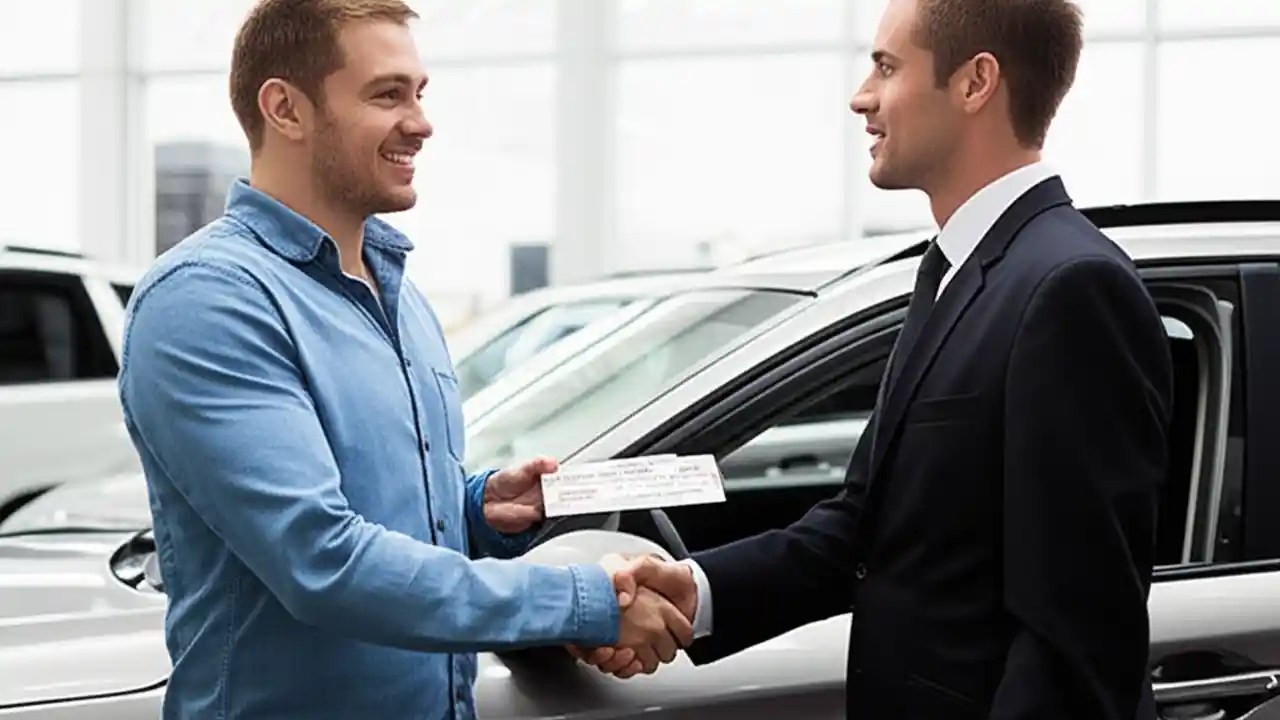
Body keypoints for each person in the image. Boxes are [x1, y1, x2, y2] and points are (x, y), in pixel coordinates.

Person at [577, 0, 1174, 717]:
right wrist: (696, 590)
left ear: (976, 82)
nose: (861, 96)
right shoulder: (959, 271)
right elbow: (867, 529)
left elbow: (1076, 631)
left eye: (886, 67)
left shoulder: (1071, 286)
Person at [117, 1, 689, 718]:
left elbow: (377, 511)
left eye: (419, 93)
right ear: (285, 109)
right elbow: (323, 560)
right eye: (388, 94)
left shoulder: (398, 294)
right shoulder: (207, 302)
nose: (420, 122)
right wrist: (583, 603)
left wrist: (477, 510)